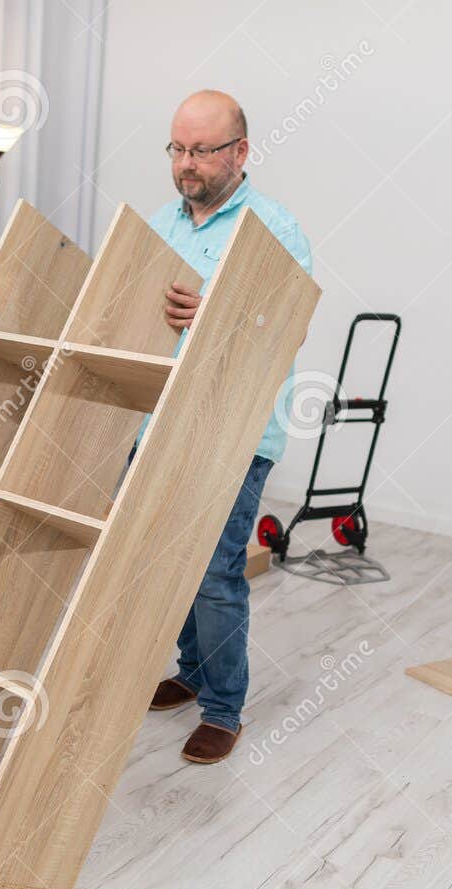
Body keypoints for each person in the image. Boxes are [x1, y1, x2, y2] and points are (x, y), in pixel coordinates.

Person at [145, 91, 313, 764]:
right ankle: (191, 670)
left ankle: (223, 707)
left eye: (202, 151)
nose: (187, 165)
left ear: (240, 152)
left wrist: (217, 307)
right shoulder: (161, 222)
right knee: (170, 558)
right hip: (159, 422)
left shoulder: (275, 229)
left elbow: (288, 326)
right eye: (178, 149)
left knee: (215, 570)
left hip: (235, 431)